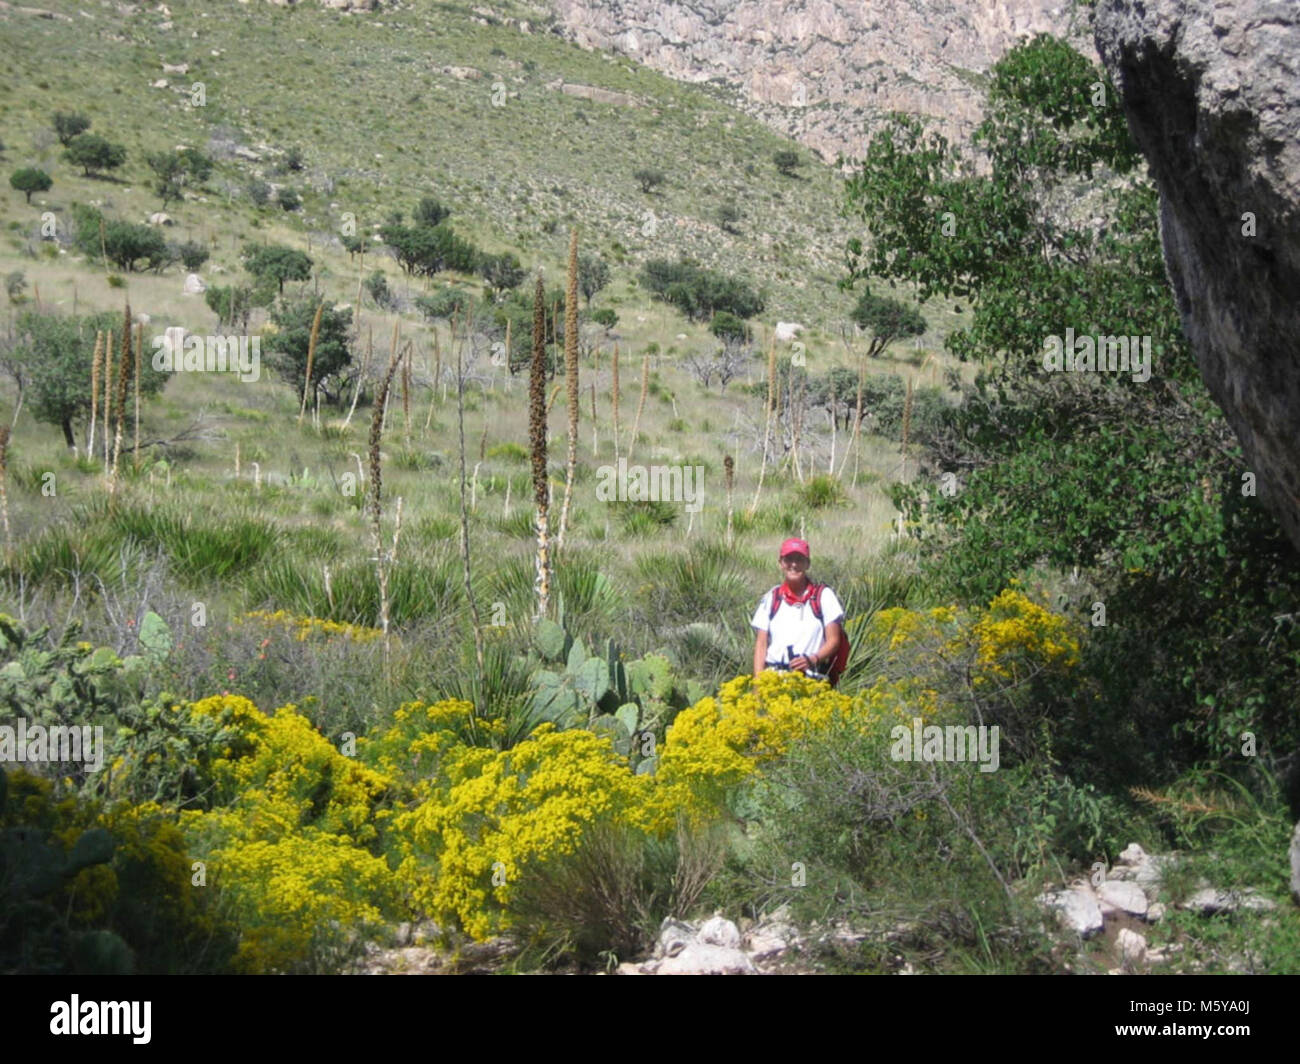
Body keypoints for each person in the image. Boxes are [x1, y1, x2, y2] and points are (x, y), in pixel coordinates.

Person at [751, 537, 845, 680]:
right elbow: (761, 644)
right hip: (773, 681)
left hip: (811, 681)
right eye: (789, 559)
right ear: (781, 563)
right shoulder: (772, 597)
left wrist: (812, 659)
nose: (794, 564)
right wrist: (758, 683)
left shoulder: (823, 596)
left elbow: (834, 641)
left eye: (799, 559)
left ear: (807, 564)